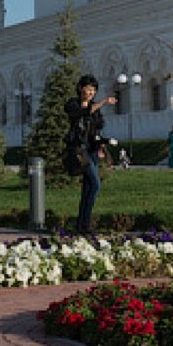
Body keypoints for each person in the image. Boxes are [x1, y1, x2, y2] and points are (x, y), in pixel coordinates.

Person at [63, 74, 118, 233]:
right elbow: (83, 112)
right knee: (95, 184)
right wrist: (104, 102)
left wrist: (103, 144)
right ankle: (84, 223)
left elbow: (96, 127)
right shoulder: (73, 104)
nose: (91, 92)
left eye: (94, 90)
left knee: (88, 188)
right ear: (81, 88)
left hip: (92, 150)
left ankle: (82, 225)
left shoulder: (95, 109)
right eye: (88, 89)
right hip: (79, 151)